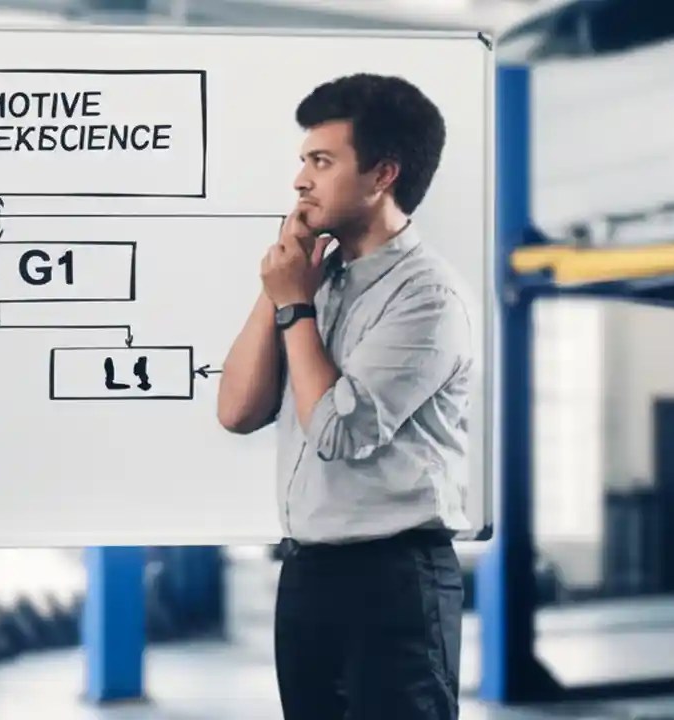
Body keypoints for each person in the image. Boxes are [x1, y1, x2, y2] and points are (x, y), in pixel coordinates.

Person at [217, 73, 473, 719]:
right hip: (309, 575)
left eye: (322, 161)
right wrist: (283, 283)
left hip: (393, 583)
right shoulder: (315, 280)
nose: (301, 180)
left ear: (382, 174)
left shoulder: (427, 297)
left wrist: (295, 301)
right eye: (303, 161)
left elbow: (339, 433)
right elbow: (238, 410)